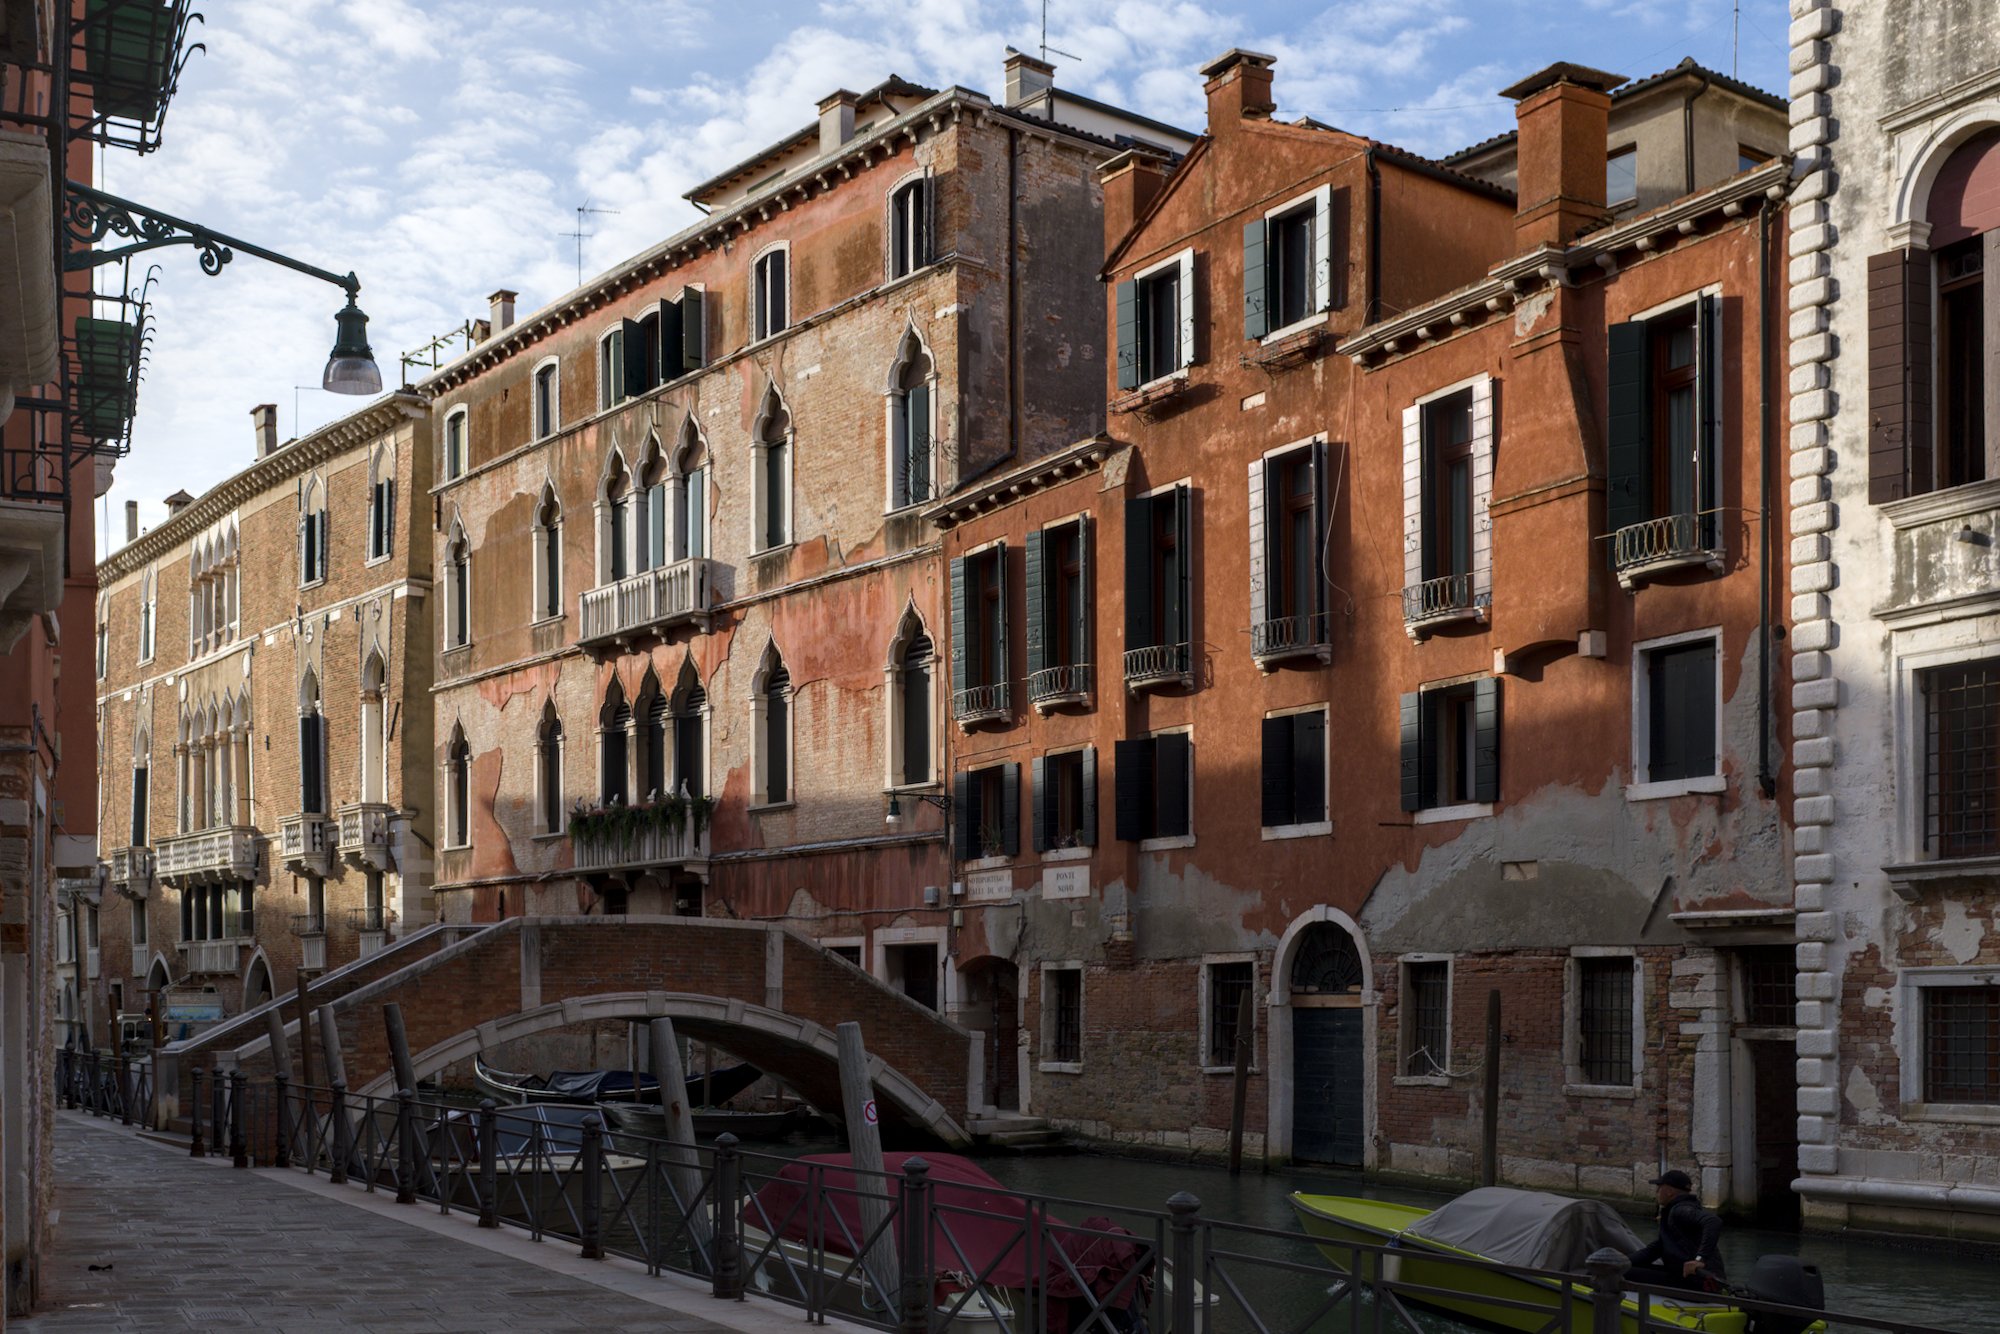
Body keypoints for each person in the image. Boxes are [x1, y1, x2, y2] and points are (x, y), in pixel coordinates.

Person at [1625, 1170, 1726, 1293]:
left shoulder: (1680, 1210)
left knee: (1624, 1273)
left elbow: (1713, 1221)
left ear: (1669, 1192)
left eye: (1659, 1188)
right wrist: (1622, 1262)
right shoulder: (1673, 1212)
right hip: (1687, 1277)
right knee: (1623, 1268)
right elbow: (1654, 1250)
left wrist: (1699, 1260)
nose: (1656, 1193)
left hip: (1701, 1282)